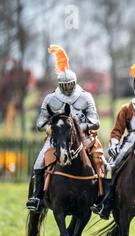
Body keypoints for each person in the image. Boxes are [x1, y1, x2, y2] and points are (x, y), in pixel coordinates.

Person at [26, 44, 104, 211]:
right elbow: (40, 122)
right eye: (65, 85)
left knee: (103, 162)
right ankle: (36, 197)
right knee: (39, 163)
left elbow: (95, 121)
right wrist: (49, 128)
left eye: (71, 84)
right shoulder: (50, 99)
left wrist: (77, 128)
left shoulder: (85, 97)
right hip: (57, 138)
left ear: (75, 83)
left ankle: (102, 199)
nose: (69, 88)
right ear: (60, 85)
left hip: (84, 138)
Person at [91, 58, 135, 219]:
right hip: (131, 141)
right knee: (112, 165)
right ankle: (107, 201)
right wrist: (113, 145)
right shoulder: (126, 108)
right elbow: (117, 131)